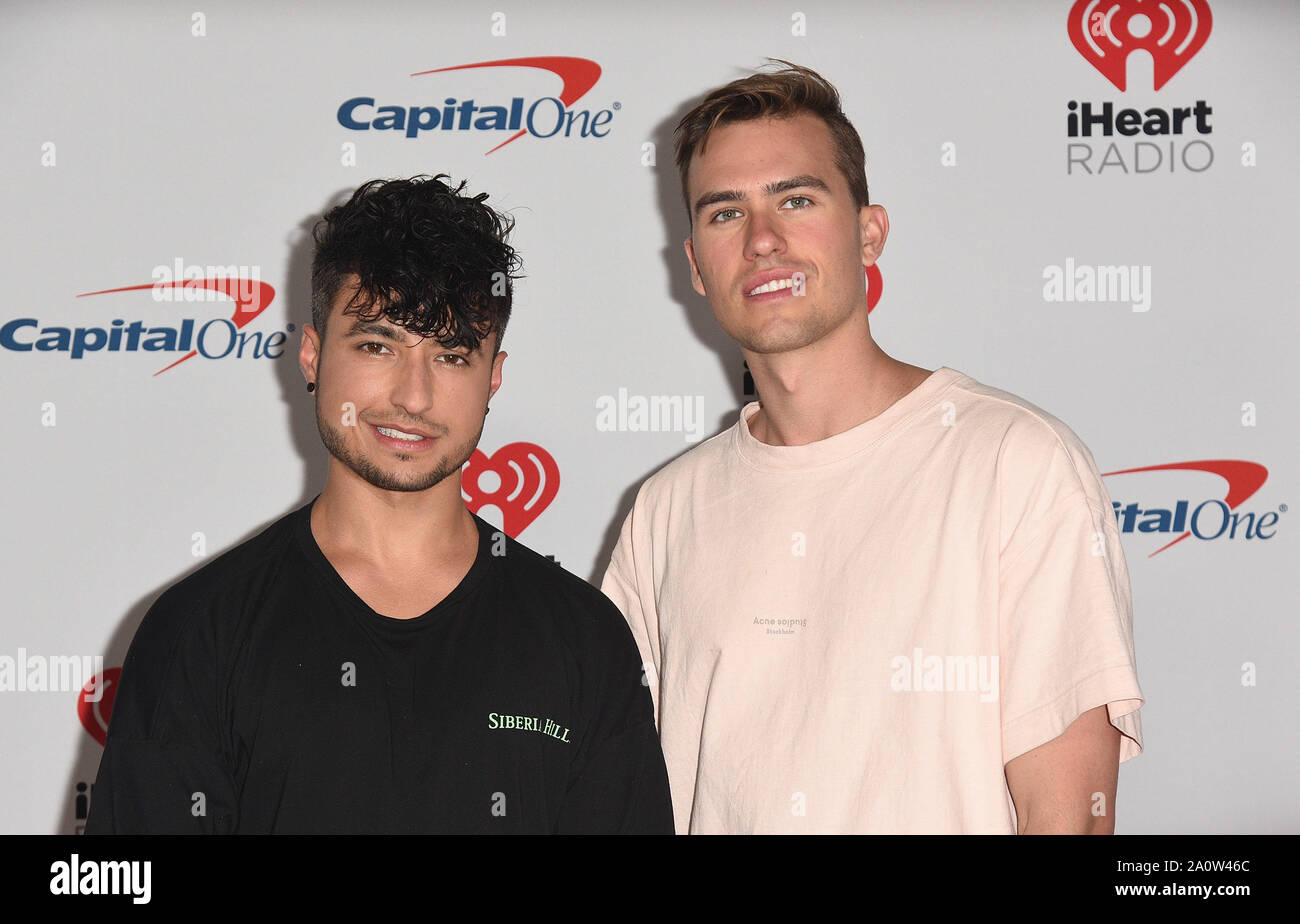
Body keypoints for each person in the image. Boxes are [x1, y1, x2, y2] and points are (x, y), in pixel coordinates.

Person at [600, 64, 1144, 834]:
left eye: (796, 199)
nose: (763, 240)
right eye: (726, 213)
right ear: (695, 265)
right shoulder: (665, 509)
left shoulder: (1014, 461)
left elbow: (1071, 819)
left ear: (869, 231)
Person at [87, 175, 673, 834]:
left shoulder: (582, 639)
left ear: (494, 378)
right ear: (312, 355)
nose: (414, 397)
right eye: (378, 345)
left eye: (451, 355)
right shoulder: (201, 631)